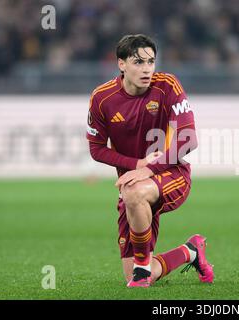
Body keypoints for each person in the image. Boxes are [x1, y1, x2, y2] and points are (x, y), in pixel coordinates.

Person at [86, 34, 214, 287]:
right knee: (129, 275)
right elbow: (96, 149)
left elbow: (188, 139)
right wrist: (139, 165)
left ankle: (143, 269)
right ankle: (191, 251)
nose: (146, 69)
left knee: (133, 194)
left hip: (171, 173)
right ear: (121, 64)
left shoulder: (167, 85)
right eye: (138, 62)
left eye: (150, 61)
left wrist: (151, 168)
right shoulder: (102, 98)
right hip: (134, 180)